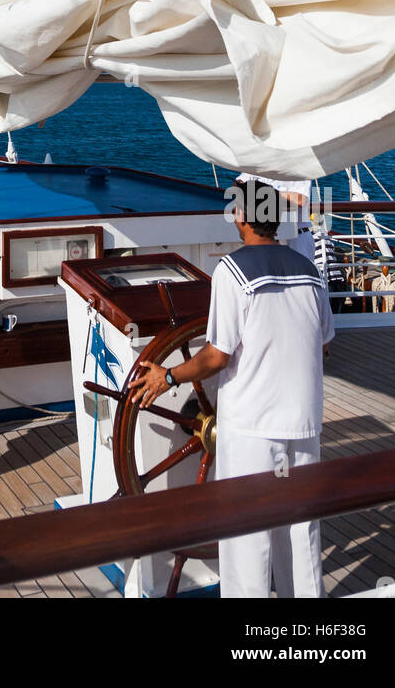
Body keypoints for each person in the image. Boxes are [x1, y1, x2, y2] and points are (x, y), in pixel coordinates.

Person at [128, 178, 334, 598]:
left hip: (252, 429)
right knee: (301, 536)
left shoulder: (231, 271)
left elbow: (216, 357)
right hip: (303, 424)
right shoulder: (310, 271)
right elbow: (323, 345)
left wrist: (168, 376)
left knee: (247, 542)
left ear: (241, 216)